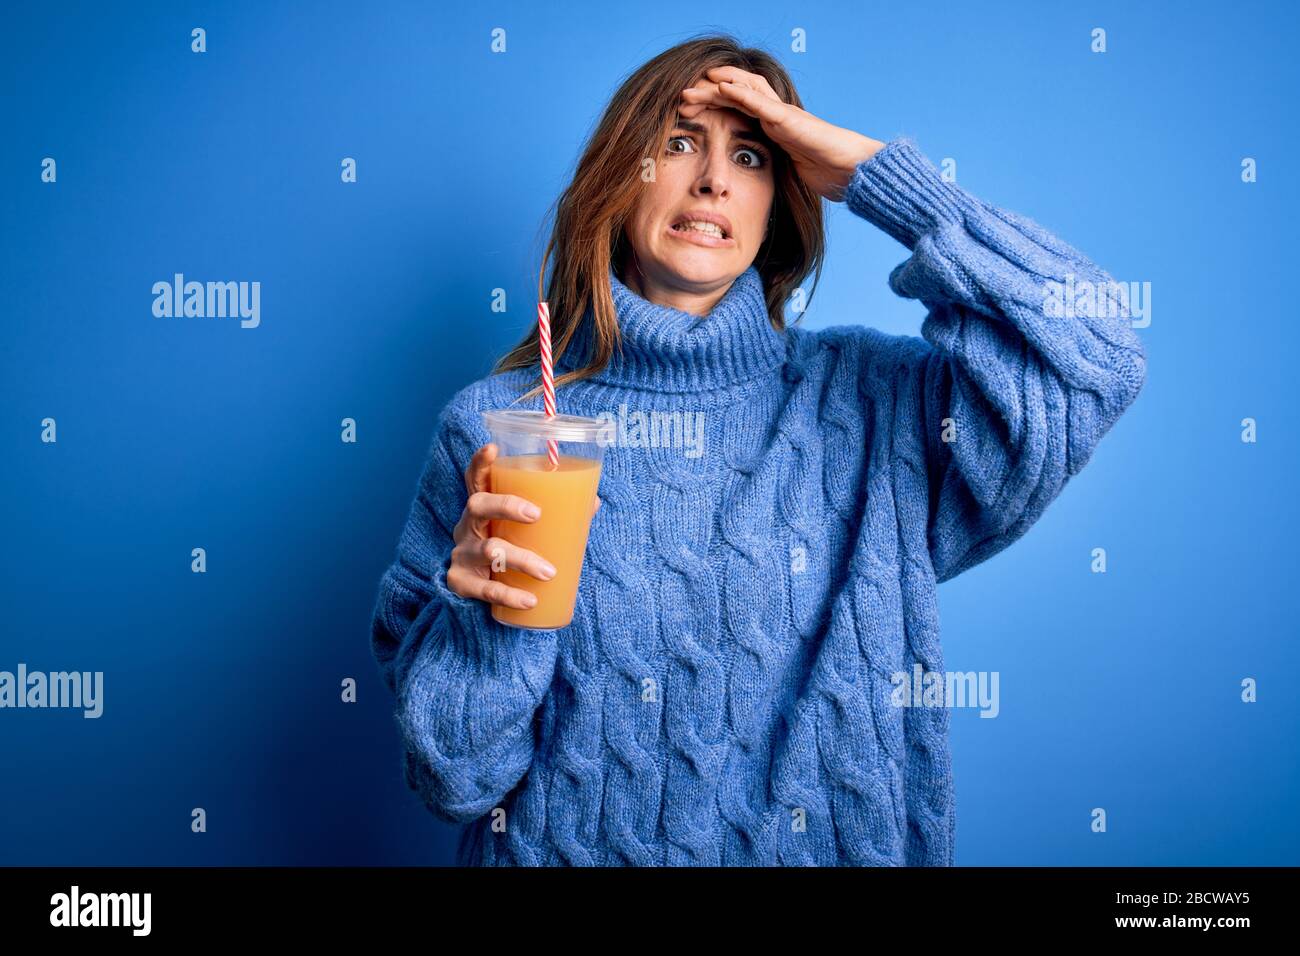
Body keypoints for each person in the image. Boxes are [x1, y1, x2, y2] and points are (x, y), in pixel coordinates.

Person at [369, 34, 1146, 866]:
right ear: (617, 176)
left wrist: (878, 181)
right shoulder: (495, 427)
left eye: (751, 156)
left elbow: (1096, 359)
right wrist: (495, 624)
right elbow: (455, 782)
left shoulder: (878, 405)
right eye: (677, 144)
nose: (712, 179)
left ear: (782, 200)